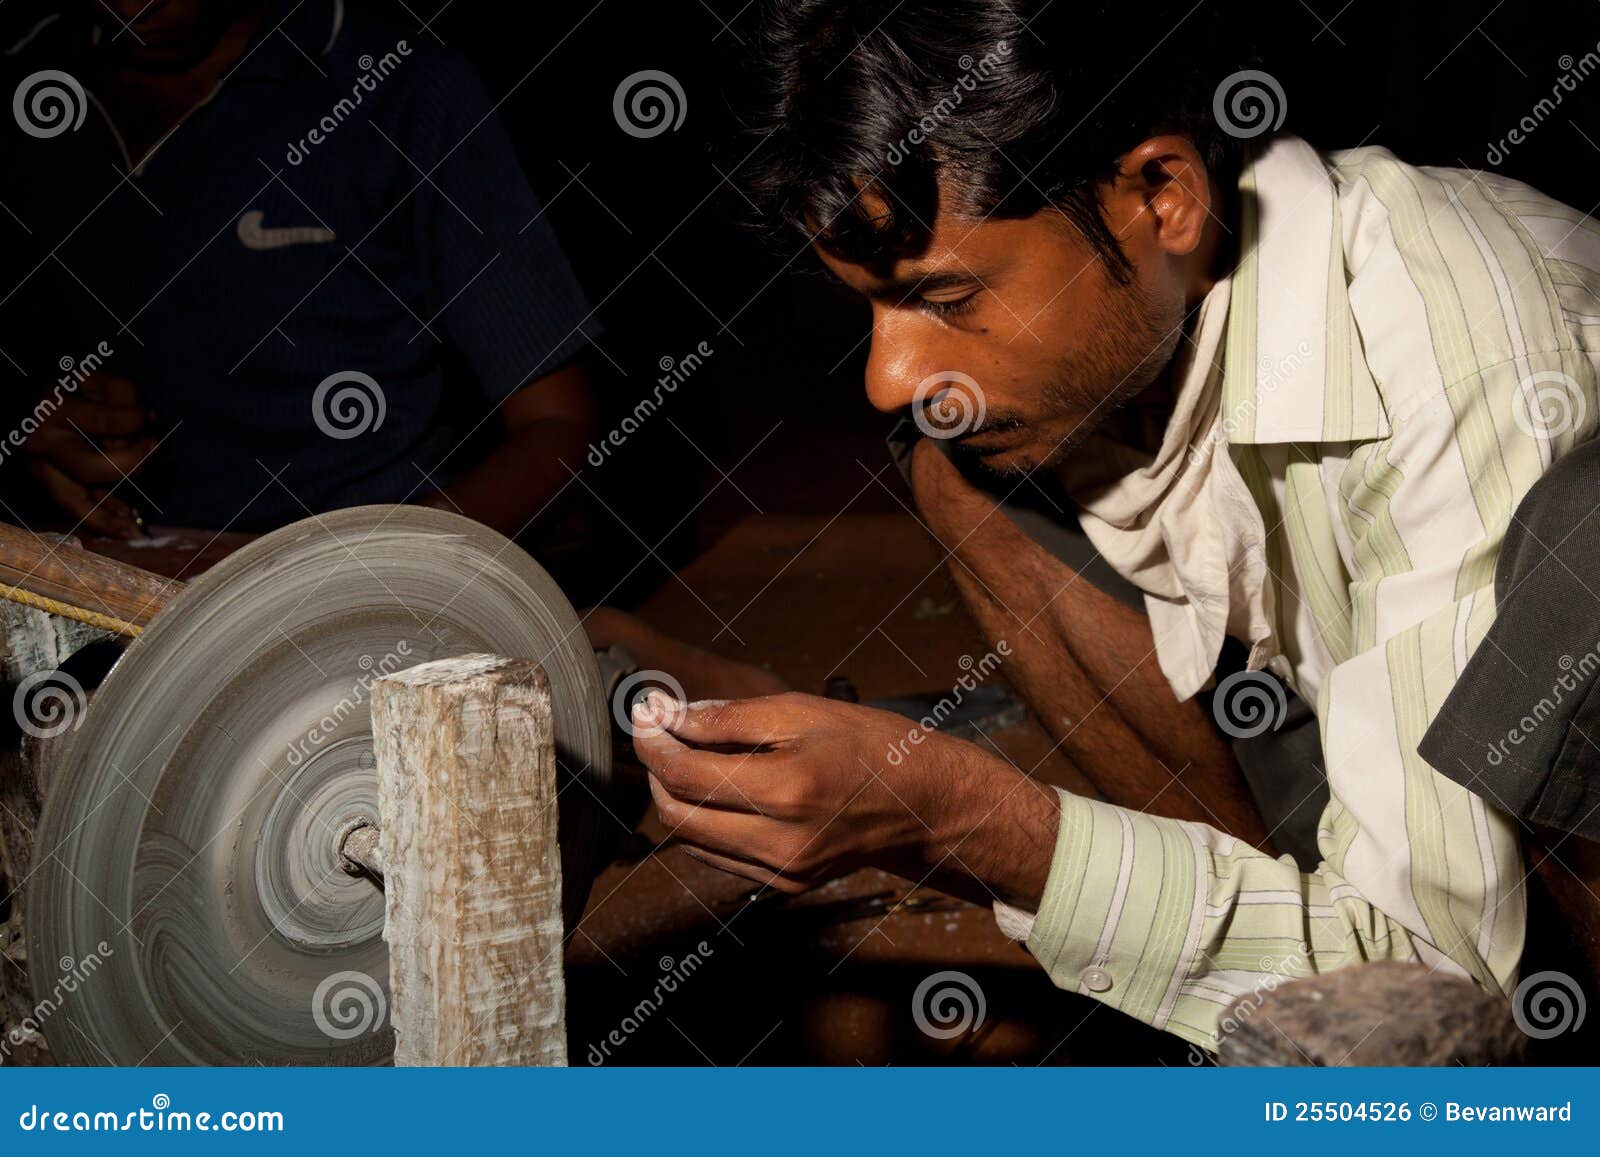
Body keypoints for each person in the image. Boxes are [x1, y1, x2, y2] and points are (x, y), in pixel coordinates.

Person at [618, 0, 1600, 1051]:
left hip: (1517, 929)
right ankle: (1261, 954)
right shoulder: (1157, 316)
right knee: (957, 449)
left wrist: (966, 818)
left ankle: (1286, 966)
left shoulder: (1465, 369)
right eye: (868, 310)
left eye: (945, 298)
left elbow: (1438, 993)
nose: (885, 374)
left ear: (1163, 196)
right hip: (1325, 731)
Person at [0, 0, 598, 537]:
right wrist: (36, 434)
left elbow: (558, 427)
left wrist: (353, 567)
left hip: (361, 599)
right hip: (98, 577)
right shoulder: (26, 84)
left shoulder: (398, 87)